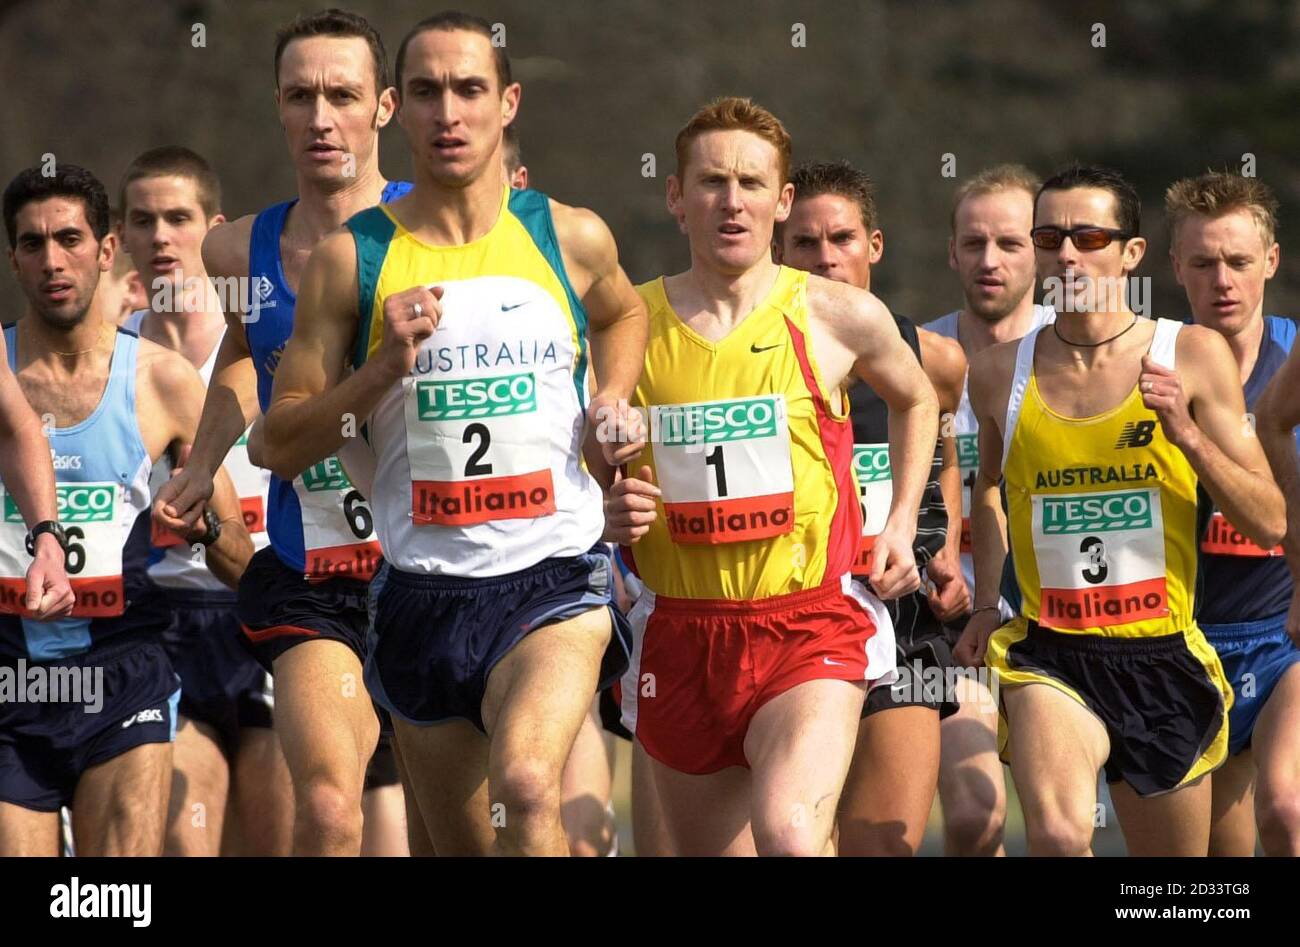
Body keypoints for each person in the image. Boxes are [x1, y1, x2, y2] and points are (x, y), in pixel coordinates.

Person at [261, 11, 646, 856]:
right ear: (397, 108)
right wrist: (377, 372)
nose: (449, 113)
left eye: (469, 89)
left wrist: (613, 395)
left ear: (507, 103)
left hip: (554, 576)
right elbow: (277, 443)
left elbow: (623, 310)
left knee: (529, 783)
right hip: (420, 593)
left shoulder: (566, 235)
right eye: (428, 92)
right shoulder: (349, 261)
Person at [610, 97, 938, 856]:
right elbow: (589, 439)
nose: (733, 201)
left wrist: (900, 525)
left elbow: (918, 396)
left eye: (753, 183)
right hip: (682, 634)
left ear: (782, 199)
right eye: (713, 181)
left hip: (810, 623)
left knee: (790, 830)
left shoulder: (836, 314)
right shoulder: (628, 322)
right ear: (675, 195)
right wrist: (606, 497)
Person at [957, 163, 1284, 856]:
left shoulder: (1188, 355)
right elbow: (986, 485)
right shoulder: (996, 373)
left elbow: (1272, 519)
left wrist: (1189, 436)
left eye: (1089, 236)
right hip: (1051, 651)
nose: (1067, 254)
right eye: (1050, 237)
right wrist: (988, 600)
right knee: (1056, 832)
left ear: (1131, 253)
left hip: (1163, 654)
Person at [152, 8, 409, 856]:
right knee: (332, 811)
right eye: (301, 96)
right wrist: (204, 460)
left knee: (453, 828)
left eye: (343, 94)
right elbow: (242, 346)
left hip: (443, 571)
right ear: (278, 106)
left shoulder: (442, 231)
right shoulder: (234, 250)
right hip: (316, 575)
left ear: (385, 107)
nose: (321, 117)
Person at [0, 163, 250, 856]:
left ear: (107, 251)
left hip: (121, 671)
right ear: (13, 257)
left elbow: (234, 552)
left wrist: (204, 525)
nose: (52, 260)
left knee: (115, 895)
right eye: (31, 243)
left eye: (70, 239)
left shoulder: (162, 382)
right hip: (10, 674)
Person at [775, 158, 967, 855]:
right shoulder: (758, 358)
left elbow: (944, 456)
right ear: (778, 249)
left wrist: (932, 542)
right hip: (787, 624)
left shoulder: (935, 359)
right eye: (804, 242)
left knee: (883, 844)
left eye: (843, 239)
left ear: (874, 246)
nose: (826, 258)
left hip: (902, 618)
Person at [118, 145, 293, 856]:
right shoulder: (112, 361)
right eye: (143, 220)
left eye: (178, 218)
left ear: (212, 227)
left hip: (263, 611)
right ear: (120, 237)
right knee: (186, 842)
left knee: (282, 838)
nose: (161, 236)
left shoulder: (262, 350)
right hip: (162, 625)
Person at [1167, 170, 1300, 856]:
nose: (1223, 279)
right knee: (1220, 862)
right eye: (1204, 262)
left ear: (1270, 262)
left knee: (1288, 806)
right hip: (1187, 644)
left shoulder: (1296, 361)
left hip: (1285, 636)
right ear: (1175, 267)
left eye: (1239, 261)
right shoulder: (1148, 369)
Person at [924, 163, 1053, 855]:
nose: (989, 260)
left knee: (1059, 823)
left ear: (1040, 248)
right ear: (951, 251)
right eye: (973, 244)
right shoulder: (915, 357)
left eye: (1009, 243)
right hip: (953, 627)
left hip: (1062, 623)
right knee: (975, 814)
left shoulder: (1079, 350)